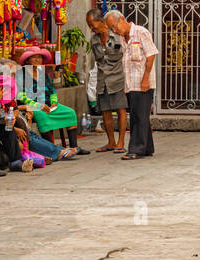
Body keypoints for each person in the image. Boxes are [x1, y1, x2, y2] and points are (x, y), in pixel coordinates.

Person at [18, 48, 89, 155]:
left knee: (70, 113)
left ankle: (74, 146)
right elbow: (20, 95)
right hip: (33, 106)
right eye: (34, 57)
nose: (37, 60)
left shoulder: (43, 74)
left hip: (48, 105)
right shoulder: (21, 74)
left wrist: (53, 102)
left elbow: (52, 91)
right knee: (43, 117)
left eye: (40, 57)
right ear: (28, 60)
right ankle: (53, 150)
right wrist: (39, 105)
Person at [107, 9, 157, 159]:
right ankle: (147, 147)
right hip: (131, 84)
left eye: (115, 27)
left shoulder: (141, 32)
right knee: (139, 115)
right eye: (112, 29)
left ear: (122, 19)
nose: (115, 31)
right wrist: (125, 85)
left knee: (138, 117)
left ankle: (136, 149)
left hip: (143, 82)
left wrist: (146, 78)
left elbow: (151, 55)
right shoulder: (123, 38)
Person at [85, 8, 129, 152]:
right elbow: (98, 60)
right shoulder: (94, 40)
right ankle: (111, 142)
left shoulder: (117, 35)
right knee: (105, 111)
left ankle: (121, 143)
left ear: (101, 21)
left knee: (121, 110)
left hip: (118, 77)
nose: (91, 28)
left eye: (93, 25)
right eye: (89, 26)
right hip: (103, 79)